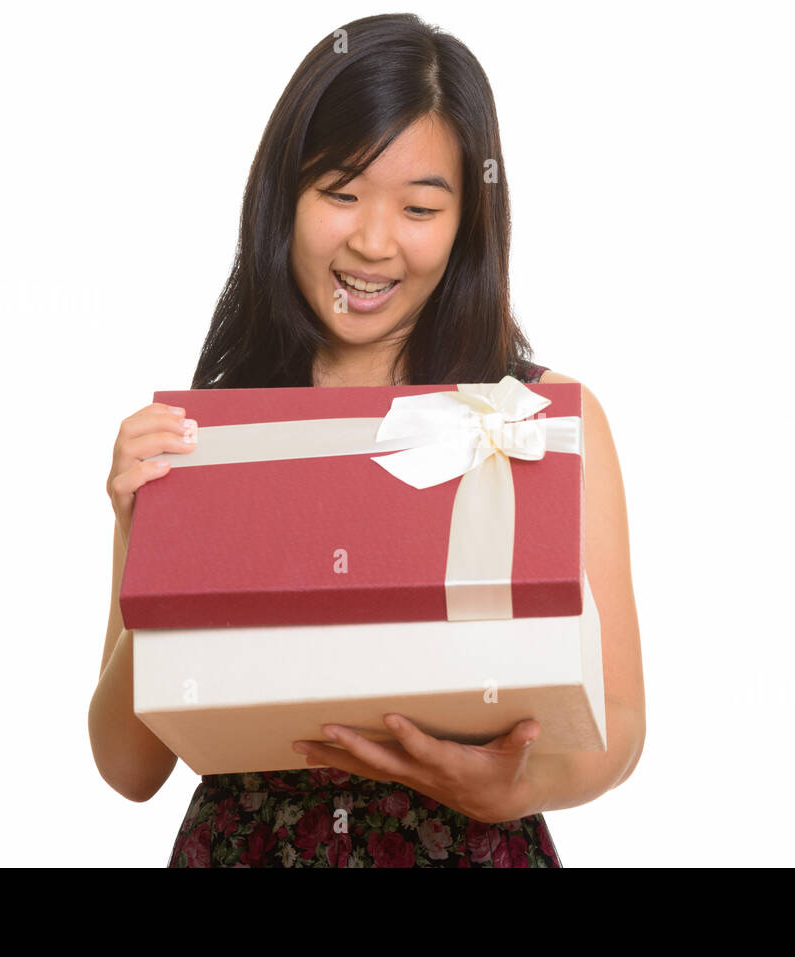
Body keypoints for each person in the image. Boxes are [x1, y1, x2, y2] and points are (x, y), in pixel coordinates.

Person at [88, 12, 645, 867]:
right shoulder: (207, 435)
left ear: (467, 219)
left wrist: (519, 788)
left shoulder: (539, 420)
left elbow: (619, 724)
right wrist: (143, 535)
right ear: (285, 195)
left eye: (420, 206)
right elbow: (127, 765)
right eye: (341, 193)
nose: (373, 242)